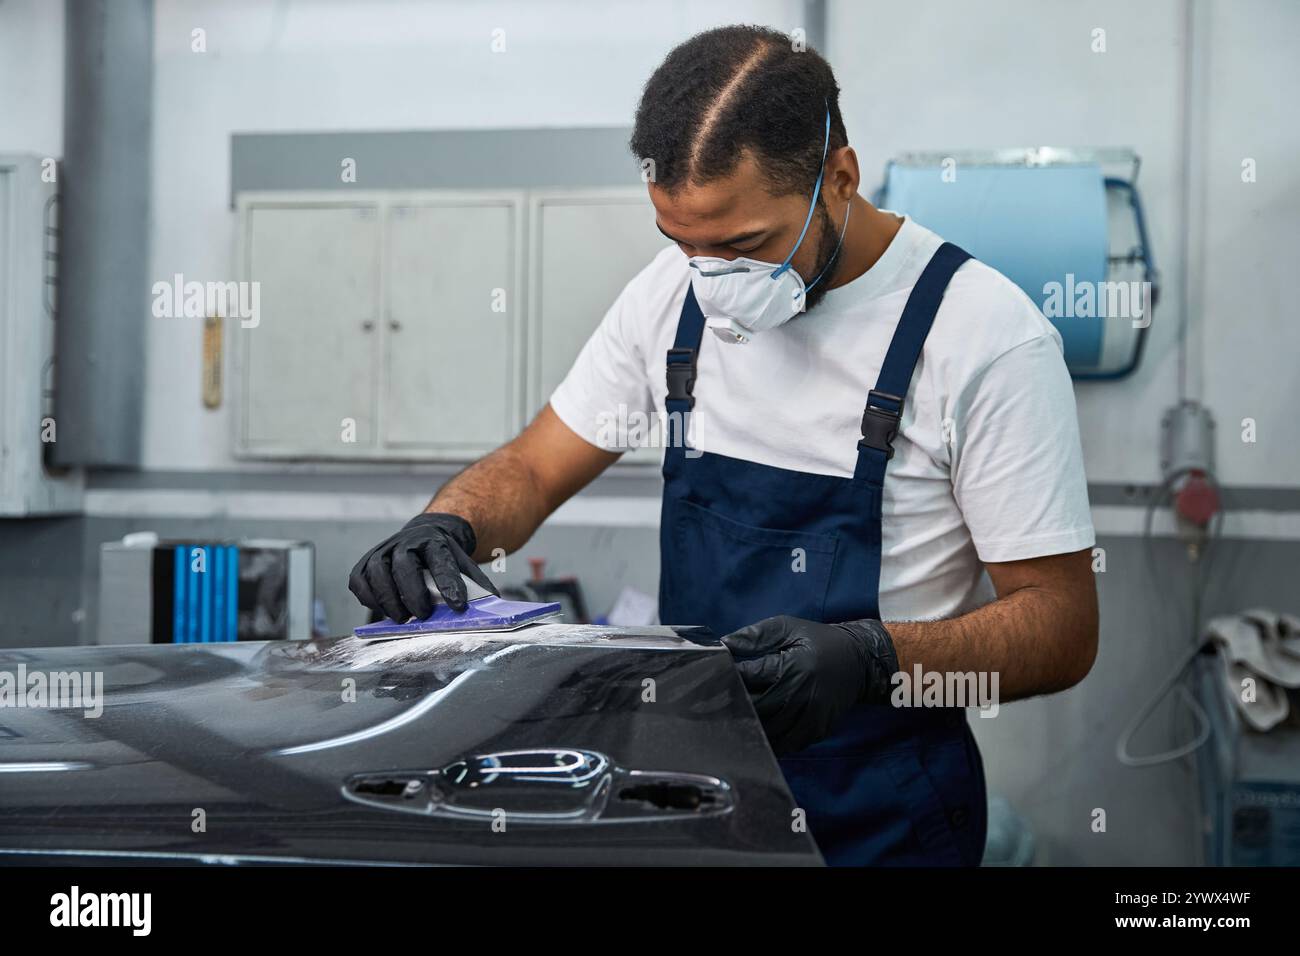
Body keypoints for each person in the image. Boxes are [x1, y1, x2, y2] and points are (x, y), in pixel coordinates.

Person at [349, 25, 1098, 866]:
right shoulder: (672, 295)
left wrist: (873, 658)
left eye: (744, 245)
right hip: (693, 789)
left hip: (883, 811)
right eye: (681, 242)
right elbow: (533, 466)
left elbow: (1061, 629)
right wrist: (449, 523)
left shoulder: (983, 338)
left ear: (838, 179)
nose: (712, 279)